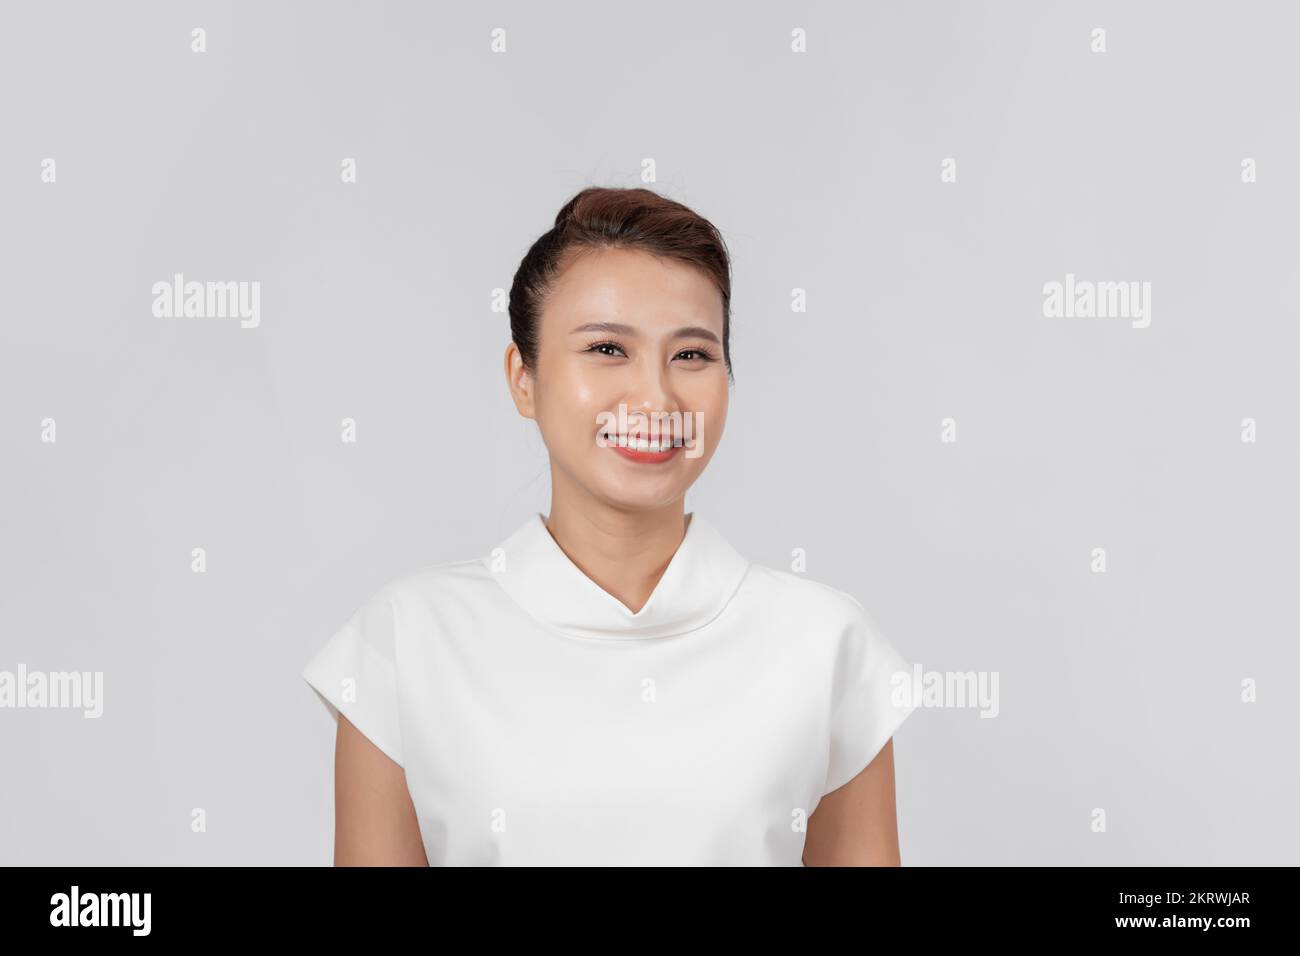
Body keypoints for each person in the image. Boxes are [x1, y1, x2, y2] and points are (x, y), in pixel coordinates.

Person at [302, 186, 918, 865]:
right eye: (606, 348)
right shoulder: (406, 642)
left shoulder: (826, 644)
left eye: (692, 355)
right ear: (524, 378)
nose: (655, 398)